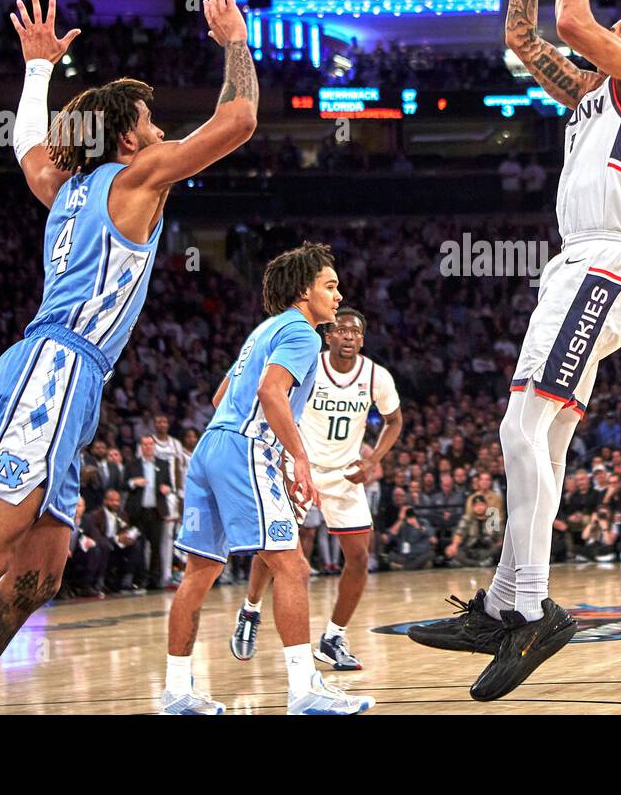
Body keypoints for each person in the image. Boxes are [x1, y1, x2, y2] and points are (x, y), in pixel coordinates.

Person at [0, 0, 259, 717]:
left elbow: (27, 149)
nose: (163, 131)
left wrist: (37, 70)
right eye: (151, 122)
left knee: (38, 571)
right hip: (56, 369)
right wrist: (234, 39)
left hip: (61, 375)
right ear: (127, 141)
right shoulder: (136, 176)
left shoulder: (66, 186)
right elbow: (240, 118)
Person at [409, 0, 621, 702]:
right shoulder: (590, 94)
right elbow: (523, 37)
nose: (613, 31)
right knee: (546, 440)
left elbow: (571, 16)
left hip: (604, 262)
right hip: (575, 267)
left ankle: (532, 609)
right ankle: (501, 604)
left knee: (516, 426)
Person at [162, 243, 372, 716]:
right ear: (304, 290)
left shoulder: (263, 331)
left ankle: (176, 692)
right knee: (293, 566)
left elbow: (222, 397)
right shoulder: (302, 333)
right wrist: (295, 458)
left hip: (212, 446)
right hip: (242, 449)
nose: (338, 296)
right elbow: (269, 392)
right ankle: (304, 689)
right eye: (330, 286)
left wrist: (269, 453)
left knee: (200, 572)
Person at [232, 307, 403, 670]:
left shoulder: (376, 376)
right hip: (300, 466)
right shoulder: (309, 365)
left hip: (345, 475)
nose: (348, 337)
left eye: (355, 332)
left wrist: (372, 462)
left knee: (358, 557)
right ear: (329, 336)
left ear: (362, 338)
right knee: (273, 547)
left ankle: (333, 637)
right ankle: (250, 610)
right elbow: (275, 403)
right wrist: (283, 454)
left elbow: (394, 421)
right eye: (341, 331)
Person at [124, 435, 174, 589]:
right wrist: (134, 483)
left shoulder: (163, 464)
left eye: (151, 444)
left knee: (156, 547)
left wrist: (167, 489)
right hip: (138, 511)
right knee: (138, 546)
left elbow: (169, 485)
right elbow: (124, 483)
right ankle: (140, 579)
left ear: (154, 446)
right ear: (141, 447)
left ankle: (155, 579)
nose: (148, 447)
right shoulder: (133, 464)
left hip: (156, 511)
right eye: (145, 444)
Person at [445, 495, 503, 567]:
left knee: (500, 549)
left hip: (487, 550)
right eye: (476, 505)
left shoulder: (493, 518)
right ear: (473, 507)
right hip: (470, 549)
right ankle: (480, 563)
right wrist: (454, 545)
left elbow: (500, 538)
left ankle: (468, 563)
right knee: (452, 551)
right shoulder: (467, 518)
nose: (479, 507)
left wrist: (497, 546)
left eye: (481, 505)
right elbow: (459, 532)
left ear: (486, 505)